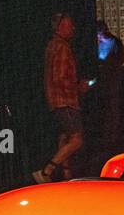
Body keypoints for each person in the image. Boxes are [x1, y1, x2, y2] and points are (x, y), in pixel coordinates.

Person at [34, 12, 90, 184]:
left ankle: (66, 173)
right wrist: (78, 86)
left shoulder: (51, 46)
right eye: (69, 25)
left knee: (64, 137)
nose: (73, 28)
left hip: (55, 100)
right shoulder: (62, 47)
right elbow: (60, 77)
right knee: (76, 139)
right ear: (60, 27)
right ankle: (46, 171)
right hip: (65, 100)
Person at [94, 19, 124, 169]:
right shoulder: (100, 43)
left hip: (112, 82)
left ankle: (112, 139)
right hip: (101, 83)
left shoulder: (115, 43)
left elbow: (119, 61)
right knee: (105, 110)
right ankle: (105, 137)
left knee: (113, 110)